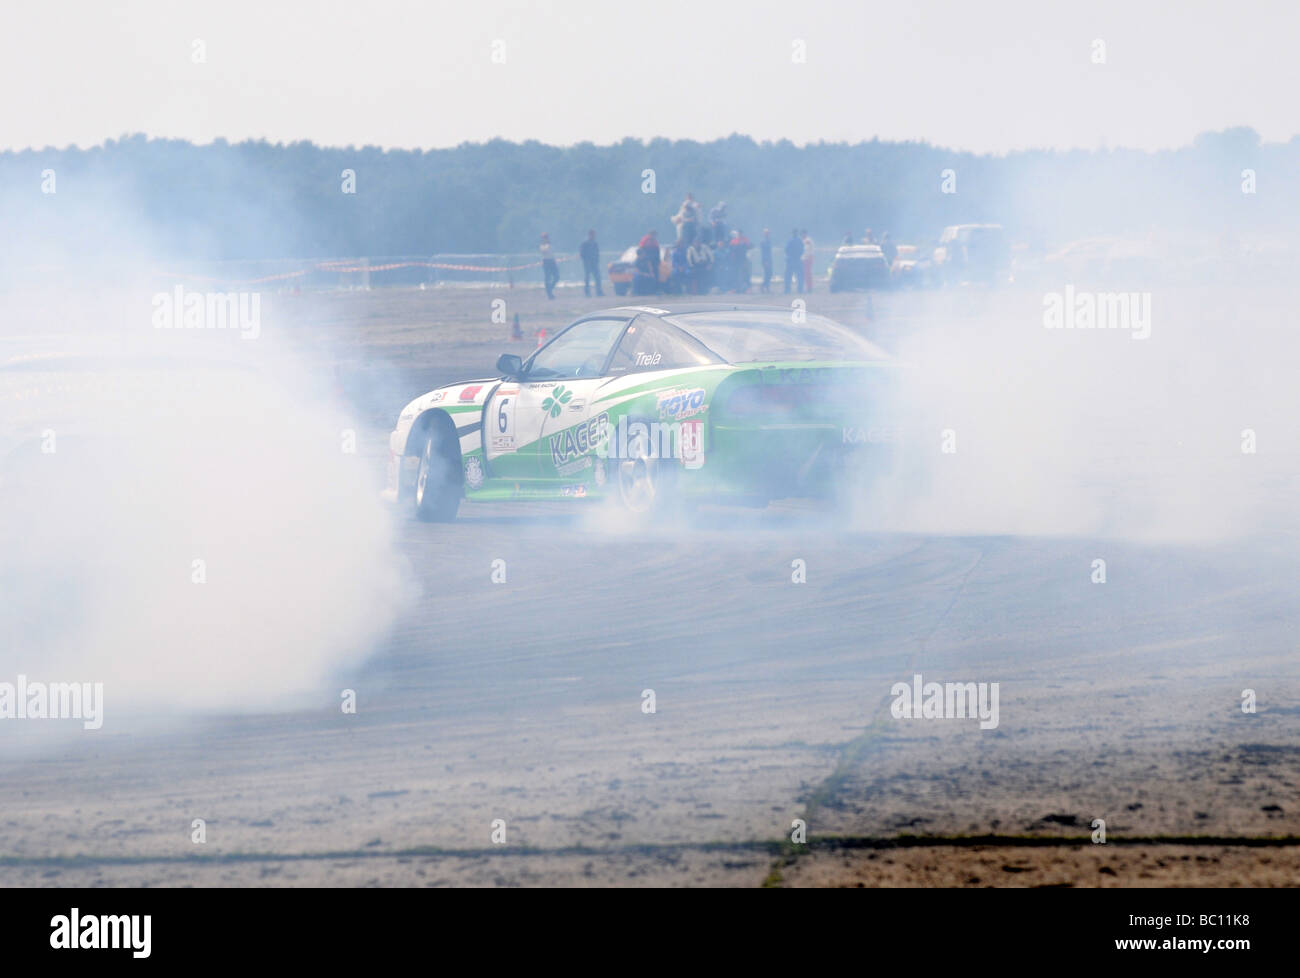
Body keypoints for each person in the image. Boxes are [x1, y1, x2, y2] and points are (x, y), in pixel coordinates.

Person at [579, 230, 603, 297]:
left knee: (597, 277)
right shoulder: (585, 243)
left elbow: (597, 253)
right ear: (589, 235)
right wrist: (586, 260)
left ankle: (599, 292)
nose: (594, 236)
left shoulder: (595, 243)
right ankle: (587, 292)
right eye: (592, 235)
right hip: (587, 263)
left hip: (594, 263)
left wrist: (597, 260)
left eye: (594, 235)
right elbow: (582, 253)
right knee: (587, 278)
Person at [637, 229, 661, 294]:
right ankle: (648, 290)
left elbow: (657, 251)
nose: (654, 236)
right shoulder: (645, 240)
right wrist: (644, 259)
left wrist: (658, 260)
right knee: (649, 274)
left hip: (654, 261)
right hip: (646, 260)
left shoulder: (655, 241)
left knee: (655, 274)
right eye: (654, 235)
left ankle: (655, 289)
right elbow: (641, 250)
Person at [539, 232, 559, 299]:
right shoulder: (542, 245)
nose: (546, 239)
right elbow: (544, 251)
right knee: (547, 278)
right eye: (544, 237)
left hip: (552, 261)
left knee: (557, 277)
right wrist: (547, 244)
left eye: (547, 237)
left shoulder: (550, 244)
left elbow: (552, 253)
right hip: (546, 261)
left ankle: (550, 289)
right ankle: (549, 293)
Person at [784, 229, 802, 294]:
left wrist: (789, 255)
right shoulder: (800, 241)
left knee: (788, 275)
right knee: (799, 275)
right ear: (797, 233)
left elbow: (786, 250)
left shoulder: (790, 241)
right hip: (797, 259)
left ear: (792, 233)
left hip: (790, 260)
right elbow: (802, 250)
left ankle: (787, 290)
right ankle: (800, 289)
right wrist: (798, 255)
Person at [759, 228, 773, 293]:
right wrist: (765, 261)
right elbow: (764, 252)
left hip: (769, 259)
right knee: (768, 273)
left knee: (769, 274)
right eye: (766, 233)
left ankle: (766, 286)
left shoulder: (768, 240)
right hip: (766, 260)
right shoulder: (763, 241)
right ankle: (763, 286)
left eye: (768, 233)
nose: (768, 234)